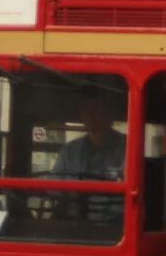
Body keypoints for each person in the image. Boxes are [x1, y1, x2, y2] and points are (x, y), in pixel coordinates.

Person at [53, 95, 127, 226]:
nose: (89, 114)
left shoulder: (128, 148)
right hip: (75, 225)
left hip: (117, 226)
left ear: (109, 115)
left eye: (96, 109)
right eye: (86, 110)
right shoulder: (69, 151)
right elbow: (54, 187)